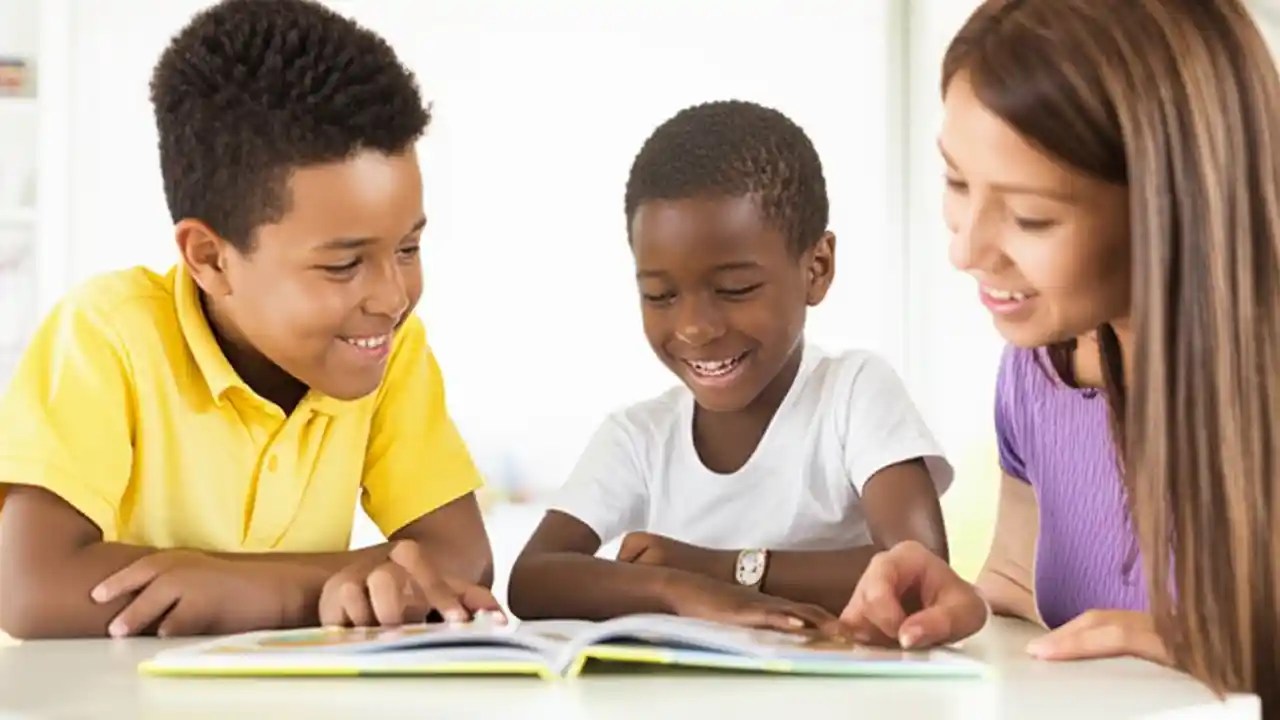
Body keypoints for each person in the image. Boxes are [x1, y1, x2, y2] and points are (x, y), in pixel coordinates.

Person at [0, 0, 499, 639]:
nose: (392, 296)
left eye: (408, 249)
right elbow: (34, 591)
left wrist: (244, 590)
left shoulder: (387, 348)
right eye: (344, 265)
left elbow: (463, 559)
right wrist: (340, 580)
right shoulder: (108, 336)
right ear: (211, 259)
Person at [839, 0, 1280, 710]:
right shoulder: (1040, 367)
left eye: (1030, 216)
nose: (965, 249)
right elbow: (1019, 590)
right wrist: (954, 608)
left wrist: (1241, 658)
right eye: (957, 182)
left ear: (1174, 204)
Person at [508, 100, 952, 630]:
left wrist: (720, 569)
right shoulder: (639, 437)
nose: (695, 327)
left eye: (735, 289)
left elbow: (920, 574)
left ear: (817, 268)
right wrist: (680, 590)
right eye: (660, 295)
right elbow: (532, 579)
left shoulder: (853, 393)